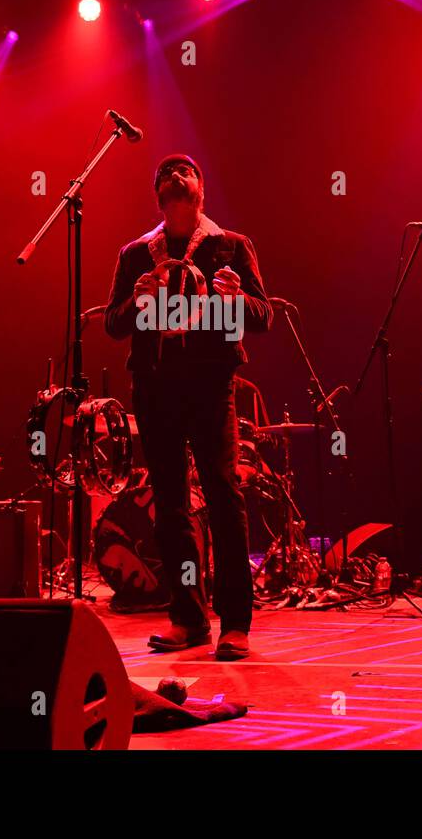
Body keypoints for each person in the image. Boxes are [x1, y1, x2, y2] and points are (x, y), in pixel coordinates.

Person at [104, 153, 272, 660]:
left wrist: (235, 300)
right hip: (156, 389)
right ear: (157, 192)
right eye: (167, 173)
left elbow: (262, 316)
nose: (177, 177)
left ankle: (235, 623)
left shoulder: (231, 247)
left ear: (202, 187)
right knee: (172, 506)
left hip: (208, 386)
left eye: (187, 171)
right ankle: (188, 616)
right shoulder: (136, 254)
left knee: (223, 496)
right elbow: (113, 323)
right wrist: (138, 301)